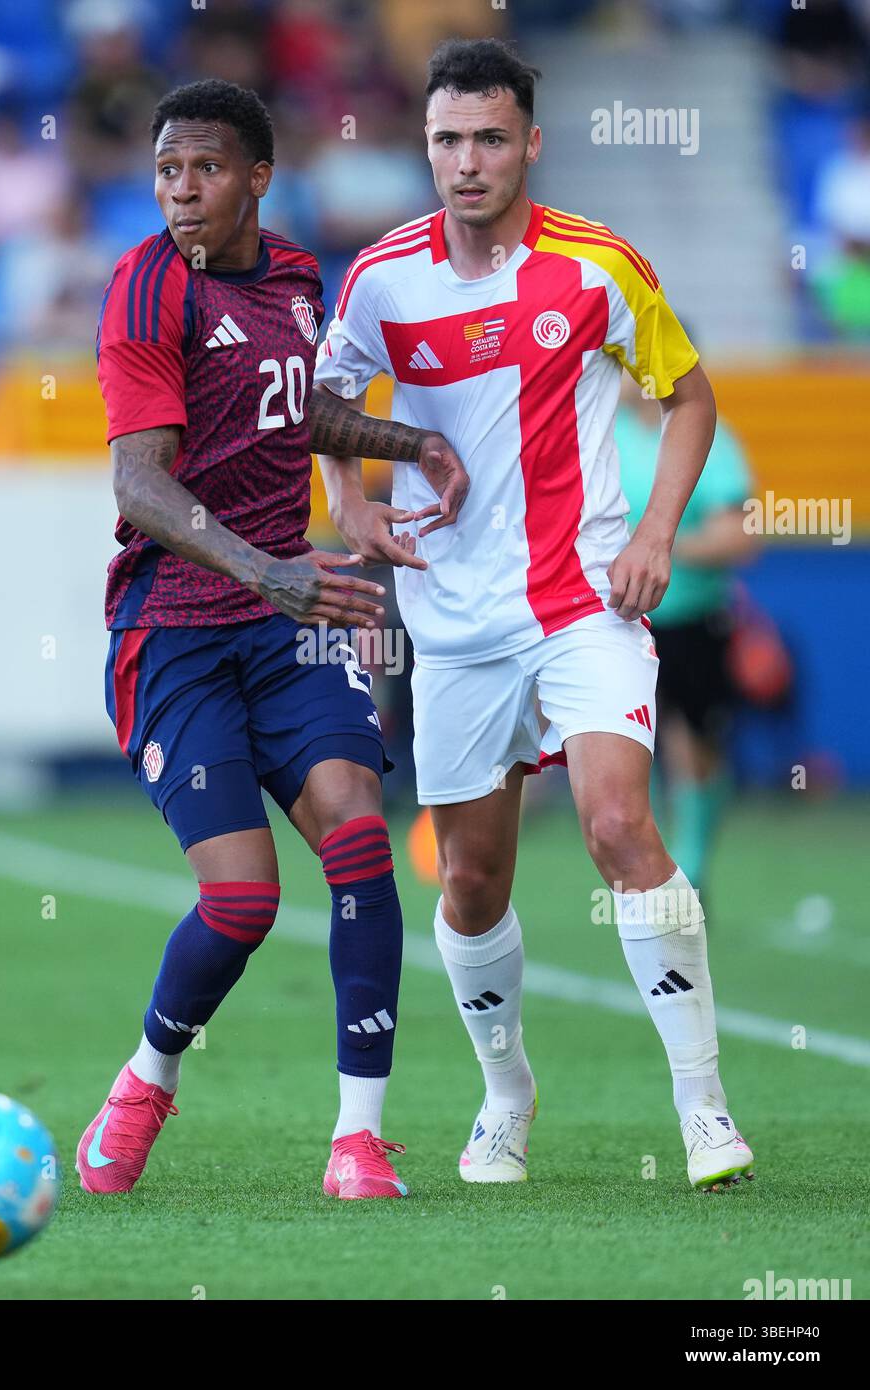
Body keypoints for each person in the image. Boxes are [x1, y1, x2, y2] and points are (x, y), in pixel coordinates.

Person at [309, 38, 754, 1192]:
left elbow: (689, 396)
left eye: (489, 138)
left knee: (616, 826)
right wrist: (350, 505)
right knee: (469, 882)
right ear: (425, 145)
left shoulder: (598, 267)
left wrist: (656, 532)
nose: (467, 162)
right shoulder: (380, 280)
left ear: (530, 145)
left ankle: (702, 1109)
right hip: (451, 622)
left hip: (580, 600)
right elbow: (321, 405)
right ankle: (506, 1099)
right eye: (447, 140)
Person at [78, 79, 411, 1202]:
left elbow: (294, 412)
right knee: (243, 903)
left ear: (259, 177)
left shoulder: (296, 279)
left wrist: (403, 437)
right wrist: (271, 568)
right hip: (173, 626)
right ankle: (147, 1075)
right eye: (168, 170)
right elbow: (139, 476)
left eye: (206, 169)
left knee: (359, 840)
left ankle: (356, 1140)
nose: (182, 189)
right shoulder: (145, 286)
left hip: (287, 626)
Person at [616, 370, 757, 893]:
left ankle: (692, 862)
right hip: (622, 622)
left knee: (696, 746)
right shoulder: (604, 435)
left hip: (693, 619)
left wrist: (655, 546)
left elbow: (739, 537)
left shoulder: (712, 440)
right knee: (634, 746)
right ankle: (660, 872)